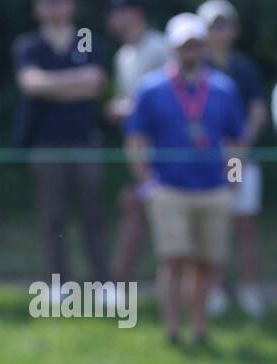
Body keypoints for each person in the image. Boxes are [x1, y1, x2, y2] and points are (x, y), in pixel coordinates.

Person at [126, 14, 243, 347]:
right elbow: (136, 138)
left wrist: (232, 180)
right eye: (183, 46)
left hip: (213, 188)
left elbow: (236, 141)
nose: (189, 51)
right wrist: (147, 181)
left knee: (206, 263)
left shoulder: (223, 88)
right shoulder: (151, 88)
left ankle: (201, 330)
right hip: (169, 187)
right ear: (173, 48)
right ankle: (172, 330)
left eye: (195, 45)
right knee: (173, 258)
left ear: (203, 47)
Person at [13, 0, 109, 288]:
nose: (54, 7)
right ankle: (58, 284)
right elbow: (31, 84)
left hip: (84, 143)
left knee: (93, 216)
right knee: (52, 219)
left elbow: (95, 83)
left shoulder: (86, 39)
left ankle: (103, 284)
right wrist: (75, 85)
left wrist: (50, 85)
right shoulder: (28, 45)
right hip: (45, 145)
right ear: (37, 9)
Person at [198, 0, 267, 319]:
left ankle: (250, 289)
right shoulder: (196, 69)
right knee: (213, 224)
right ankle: (215, 289)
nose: (219, 32)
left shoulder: (244, 68)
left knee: (243, 222)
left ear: (234, 29)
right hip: (206, 162)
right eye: (213, 26)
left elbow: (256, 113)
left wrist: (238, 149)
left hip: (237, 159)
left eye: (223, 25)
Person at [106, 0, 171, 283]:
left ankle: (119, 282)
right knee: (136, 211)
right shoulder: (123, 55)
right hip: (138, 152)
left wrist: (129, 108)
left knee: (151, 215)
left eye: (115, 11)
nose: (111, 18)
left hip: (165, 152)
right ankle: (119, 284)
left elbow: (172, 96)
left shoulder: (160, 46)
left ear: (133, 13)